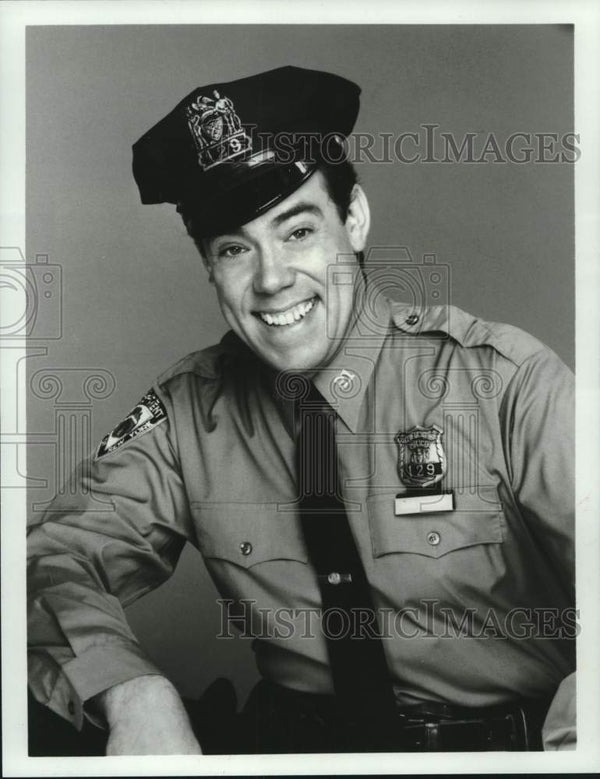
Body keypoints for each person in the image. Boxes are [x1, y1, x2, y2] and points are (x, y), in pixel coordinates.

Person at [27, 65, 576, 755]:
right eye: (235, 248)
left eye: (297, 232)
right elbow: (47, 559)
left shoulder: (503, 381)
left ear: (354, 219)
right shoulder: (191, 412)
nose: (271, 278)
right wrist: (131, 690)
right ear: (209, 266)